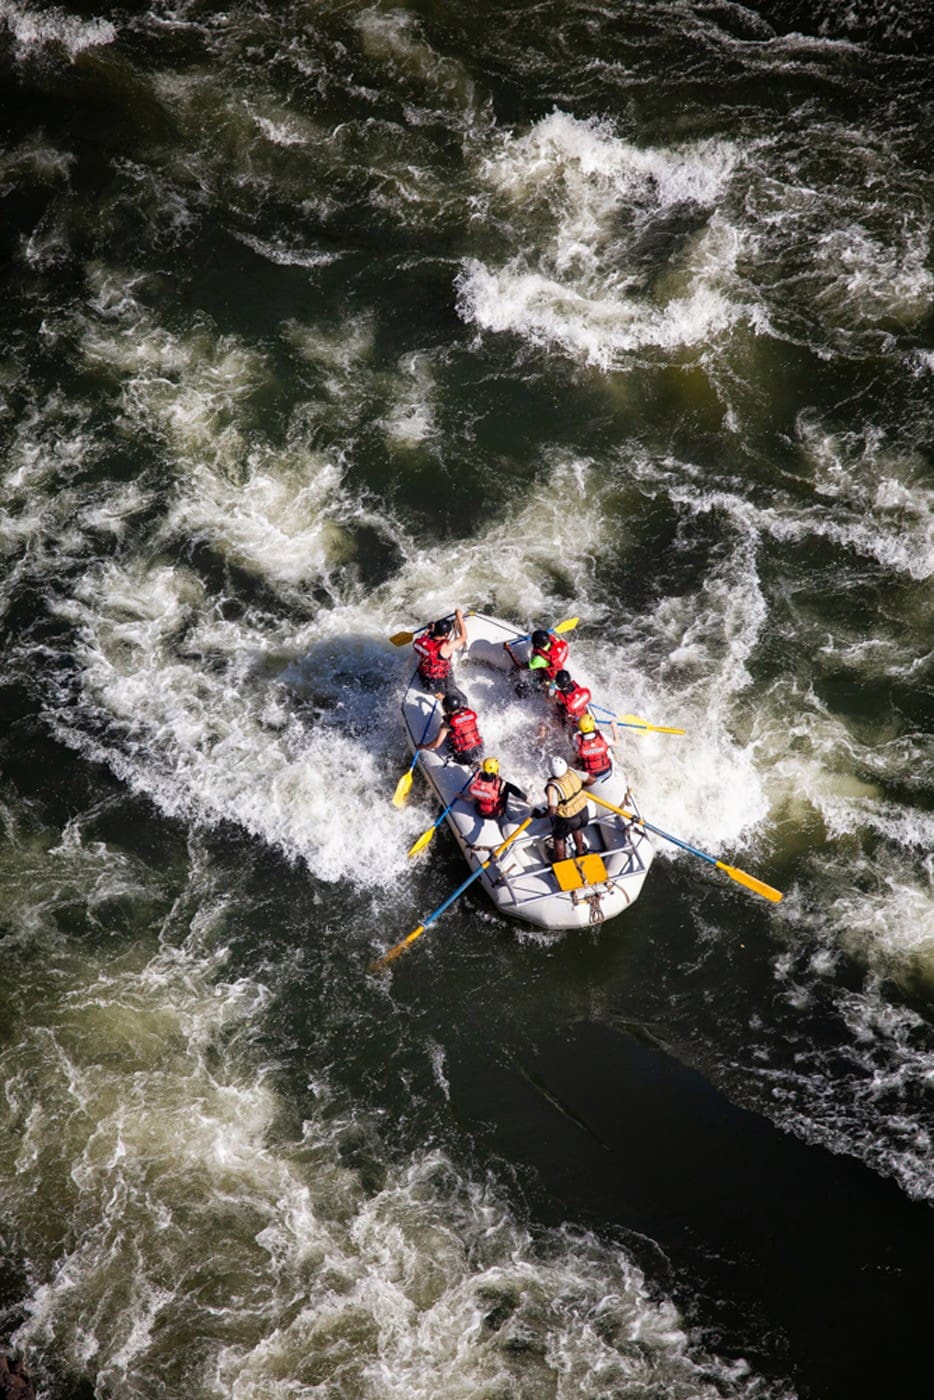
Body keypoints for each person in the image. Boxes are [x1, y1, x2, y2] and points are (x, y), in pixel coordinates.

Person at [541, 755, 589, 862]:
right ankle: (581, 852)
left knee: (558, 838)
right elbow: (591, 779)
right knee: (577, 829)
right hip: (584, 812)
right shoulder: (573, 773)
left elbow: (552, 810)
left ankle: (561, 861)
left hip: (569, 818)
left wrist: (541, 816)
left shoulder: (552, 787)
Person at [413, 608, 468, 700]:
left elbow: (425, 638)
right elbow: (464, 636)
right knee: (462, 699)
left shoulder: (421, 641)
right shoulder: (446, 647)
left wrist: (428, 630)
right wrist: (459, 617)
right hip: (438, 683)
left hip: (425, 680)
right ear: (446, 634)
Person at [417, 693, 483, 766]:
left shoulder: (446, 725)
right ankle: (477, 762)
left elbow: (436, 744)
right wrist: (443, 699)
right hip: (479, 749)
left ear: (447, 709)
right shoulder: (468, 712)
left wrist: (423, 746)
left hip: (464, 757)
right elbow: (451, 710)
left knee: (449, 741)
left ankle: (470, 763)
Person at [467, 757, 528, 827]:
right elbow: (515, 790)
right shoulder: (500, 783)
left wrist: (462, 797)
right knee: (506, 788)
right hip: (493, 814)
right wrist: (525, 798)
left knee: (482, 795)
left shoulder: (478, 778)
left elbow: (472, 797)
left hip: (478, 811)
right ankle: (503, 814)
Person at [573, 712, 619, 786]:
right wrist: (614, 727)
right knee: (607, 748)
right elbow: (616, 743)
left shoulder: (577, 739)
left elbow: (576, 752)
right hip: (607, 772)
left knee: (577, 760)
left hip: (591, 776)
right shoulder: (601, 735)